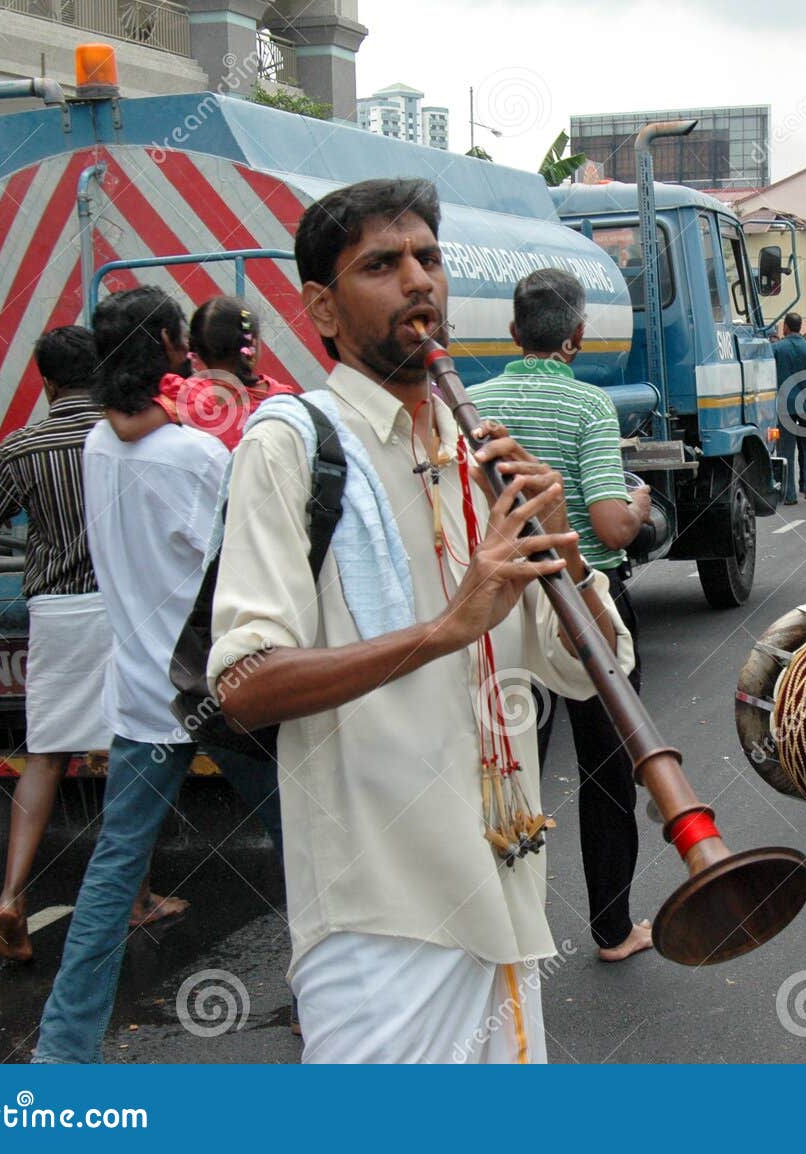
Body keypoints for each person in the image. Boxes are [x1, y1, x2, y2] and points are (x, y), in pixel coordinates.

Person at [204, 179, 634, 1063]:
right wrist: (446, 627)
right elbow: (243, 685)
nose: (418, 282)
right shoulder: (288, 446)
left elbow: (593, 673)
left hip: (505, 891)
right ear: (322, 307)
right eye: (382, 264)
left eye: (428, 259)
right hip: (381, 917)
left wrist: (568, 550)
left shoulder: (482, 447)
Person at [31, 287, 285, 1063]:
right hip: (217, 690)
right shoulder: (197, 454)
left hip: (142, 695)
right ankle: (326, 993)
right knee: (305, 846)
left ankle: (62, 1050)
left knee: (114, 873)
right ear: (172, 344)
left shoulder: (97, 445)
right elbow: (241, 561)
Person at [0, 327, 179, 961]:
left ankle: (10, 896)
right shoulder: (125, 436)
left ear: (47, 382)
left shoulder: (24, 445)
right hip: (124, 602)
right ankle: (137, 897)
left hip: (56, 609)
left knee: (46, 756)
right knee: (129, 750)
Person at [470, 267, 654, 963]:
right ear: (578, 336)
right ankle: (612, 929)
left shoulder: (476, 406)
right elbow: (608, 529)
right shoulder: (588, 408)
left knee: (509, 769)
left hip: (502, 612)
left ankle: (504, 929)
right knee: (608, 774)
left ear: (514, 334)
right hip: (584, 611)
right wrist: (637, 507)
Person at [103, 295, 302, 448]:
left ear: (195, 350)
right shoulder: (283, 398)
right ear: (254, 345)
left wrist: (103, 383)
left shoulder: (190, 396)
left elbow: (126, 430)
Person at [767, 311, 806, 502]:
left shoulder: (776, 349)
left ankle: (788, 493)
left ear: (785, 327)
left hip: (783, 406)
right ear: (800, 327)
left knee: (786, 449)